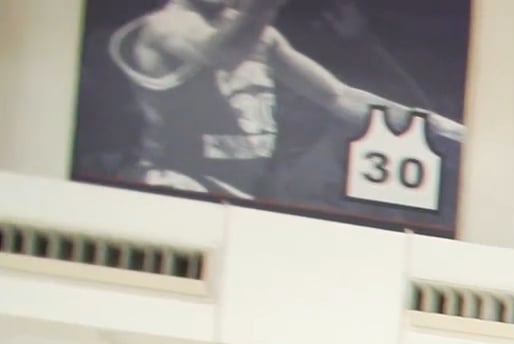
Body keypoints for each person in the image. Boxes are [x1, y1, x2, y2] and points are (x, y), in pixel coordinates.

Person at [96, 0, 462, 208]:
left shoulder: (261, 37)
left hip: (241, 198)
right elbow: (221, 54)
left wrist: (439, 128)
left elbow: (338, 97)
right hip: (175, 190)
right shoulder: (167, 26)